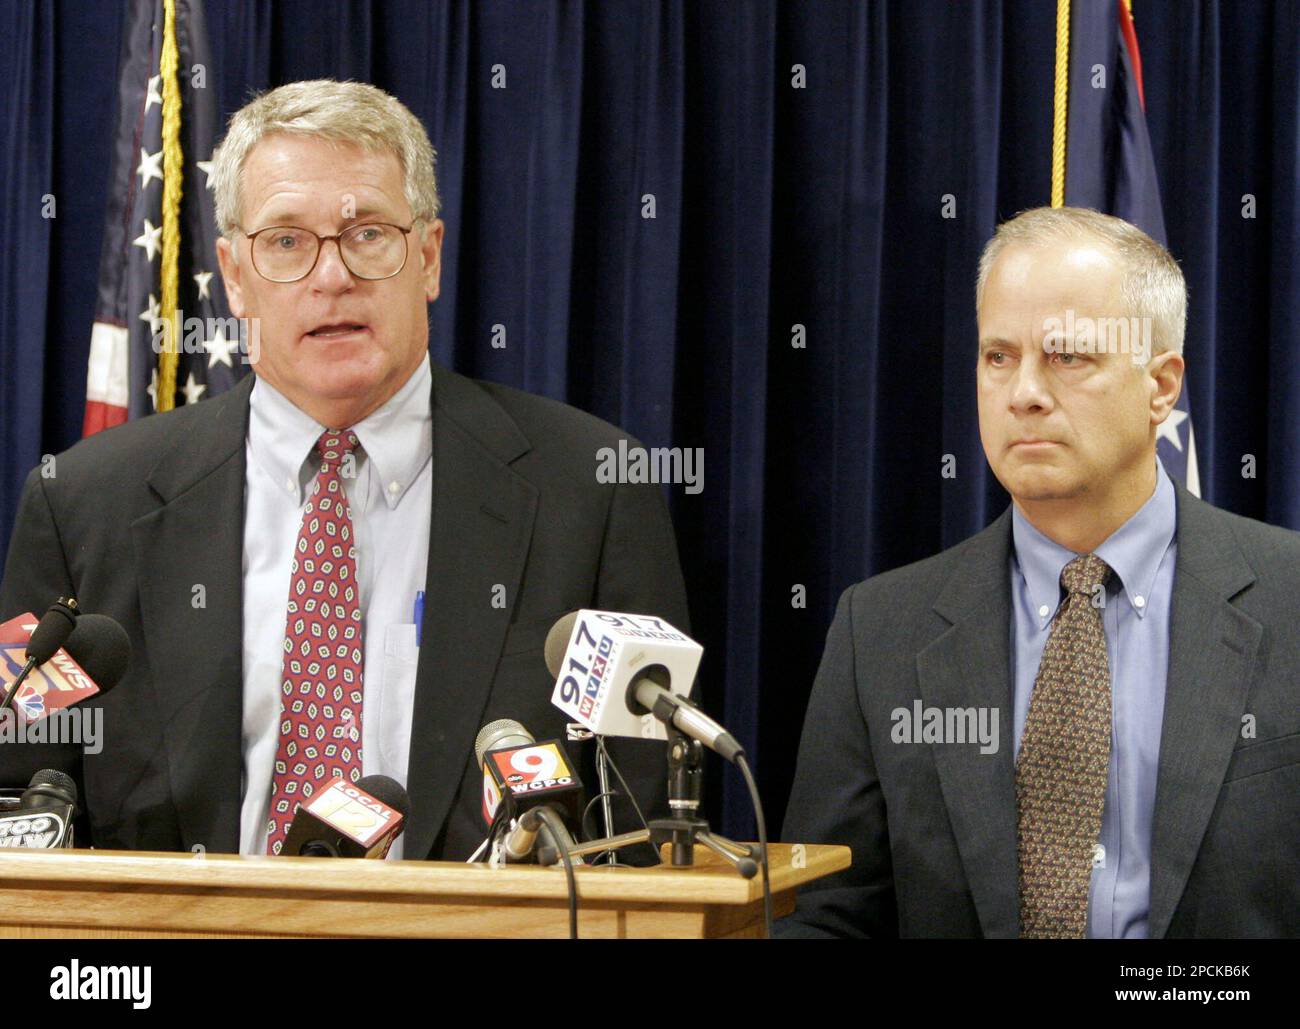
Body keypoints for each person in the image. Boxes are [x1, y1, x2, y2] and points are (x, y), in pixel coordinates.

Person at [0, 80, 689, 860]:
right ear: (233, 276)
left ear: (427, 257)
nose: (331, 276)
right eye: (286, 241)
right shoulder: (85, 504)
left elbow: (644, 832)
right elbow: (22, 809)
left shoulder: (593, 491)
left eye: (367, 234)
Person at [780, 207, 1298, 938]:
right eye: (999, 356)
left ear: (1162, 386)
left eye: (1067, 356)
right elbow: (825, 917)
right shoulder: (880, 629)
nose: (1023, 391)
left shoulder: (1291, 600)